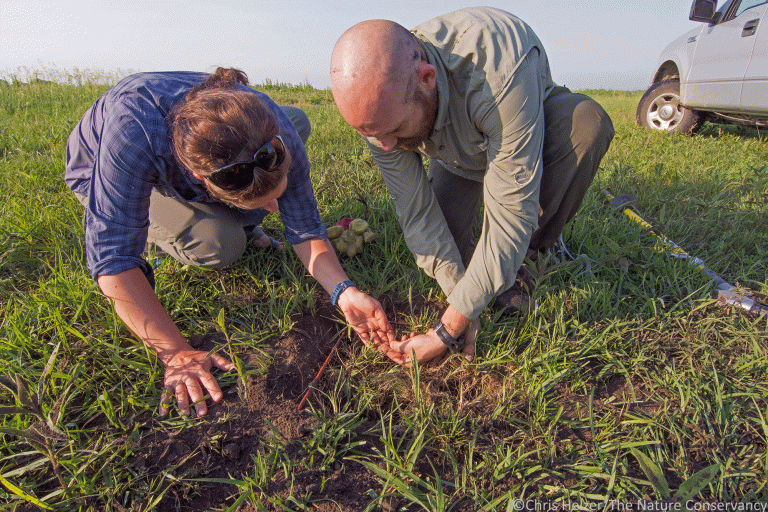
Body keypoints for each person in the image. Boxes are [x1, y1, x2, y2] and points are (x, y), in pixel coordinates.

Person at [66, 68, 394, 417]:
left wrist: (343, 291)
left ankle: (241, 221)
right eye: (263, 206)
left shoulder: (273, 125)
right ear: (200, 180)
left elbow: (304, 228)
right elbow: (114, 262)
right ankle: (205, 226)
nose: (275, 211)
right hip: (98, 172)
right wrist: (174, 352)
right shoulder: (132, 136)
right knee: (219, 243)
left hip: (205, 157)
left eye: (276, 200)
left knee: (297, 119)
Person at [330, 7, 614, 365]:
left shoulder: (496, 73)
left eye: (394, 131)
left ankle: (532, 254)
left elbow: (510, 214)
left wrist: (447, 330)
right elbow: (417, 214)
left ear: (427, 78)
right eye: (371, 135)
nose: (385, 147)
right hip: (456, 158)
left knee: (587, 125)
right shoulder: (382, 107)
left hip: (520, 135)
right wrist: (462, 299)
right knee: (456, 258)